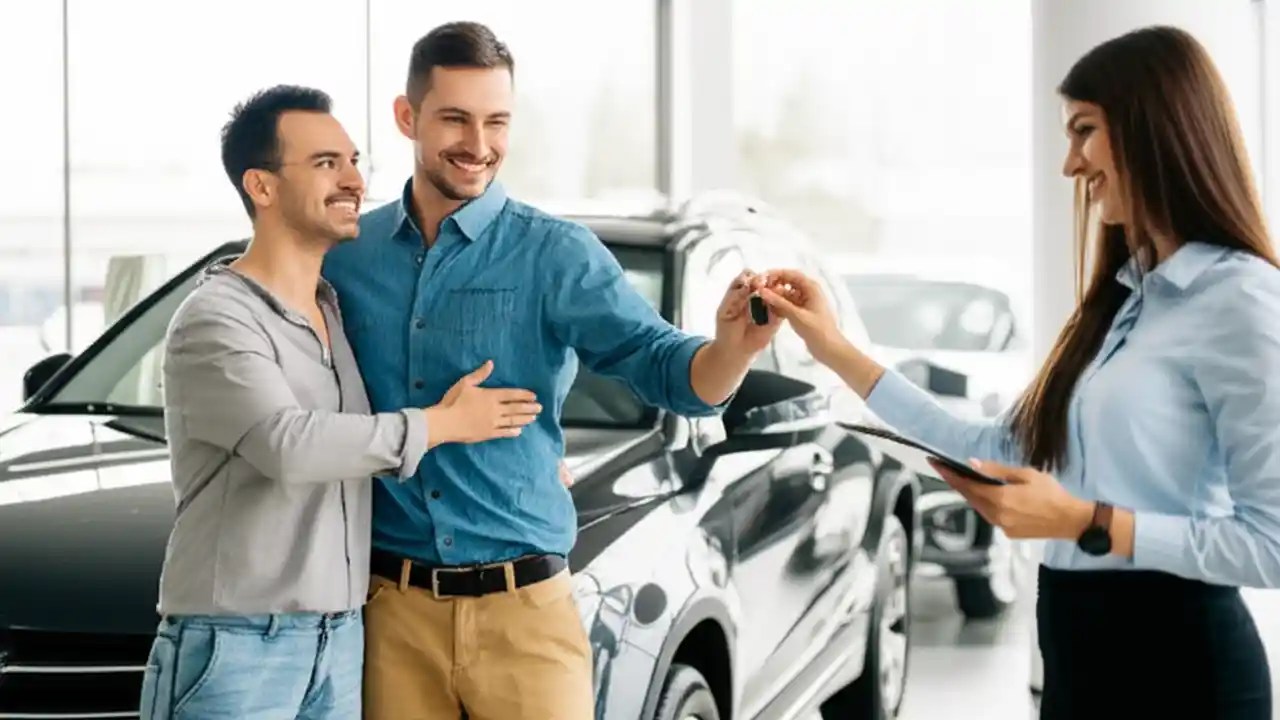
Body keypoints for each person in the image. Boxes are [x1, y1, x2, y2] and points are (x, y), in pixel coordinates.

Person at [755, 25, 1278, 720]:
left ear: (1157, 129)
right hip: (1077, 644)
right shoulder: (1129, 301)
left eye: (1084, 131)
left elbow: (1270, 544)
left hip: (1180, 664)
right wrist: (834, 347)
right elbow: (1003, 447)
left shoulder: (1239, 299)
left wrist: (1087, 521)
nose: (1070, 164)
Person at [320, 21, 780, 720]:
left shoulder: (555, 254)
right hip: (390, 615)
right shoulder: (347, 260)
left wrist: (734, 348)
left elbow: (668, 371)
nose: (479, 144)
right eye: (456, 119)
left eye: (497, 121)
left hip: (525, 617)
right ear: (406, 117)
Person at [139, 85, 542, 719]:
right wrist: (440, 425)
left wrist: (531, 465)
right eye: (327, 164)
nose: (354, 180)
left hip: (341, 639)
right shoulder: (217, 318)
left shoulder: (332, 310)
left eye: (353, 161)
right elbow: (288, 445)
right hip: (239, 648)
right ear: (262, 187)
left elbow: (362, 436)